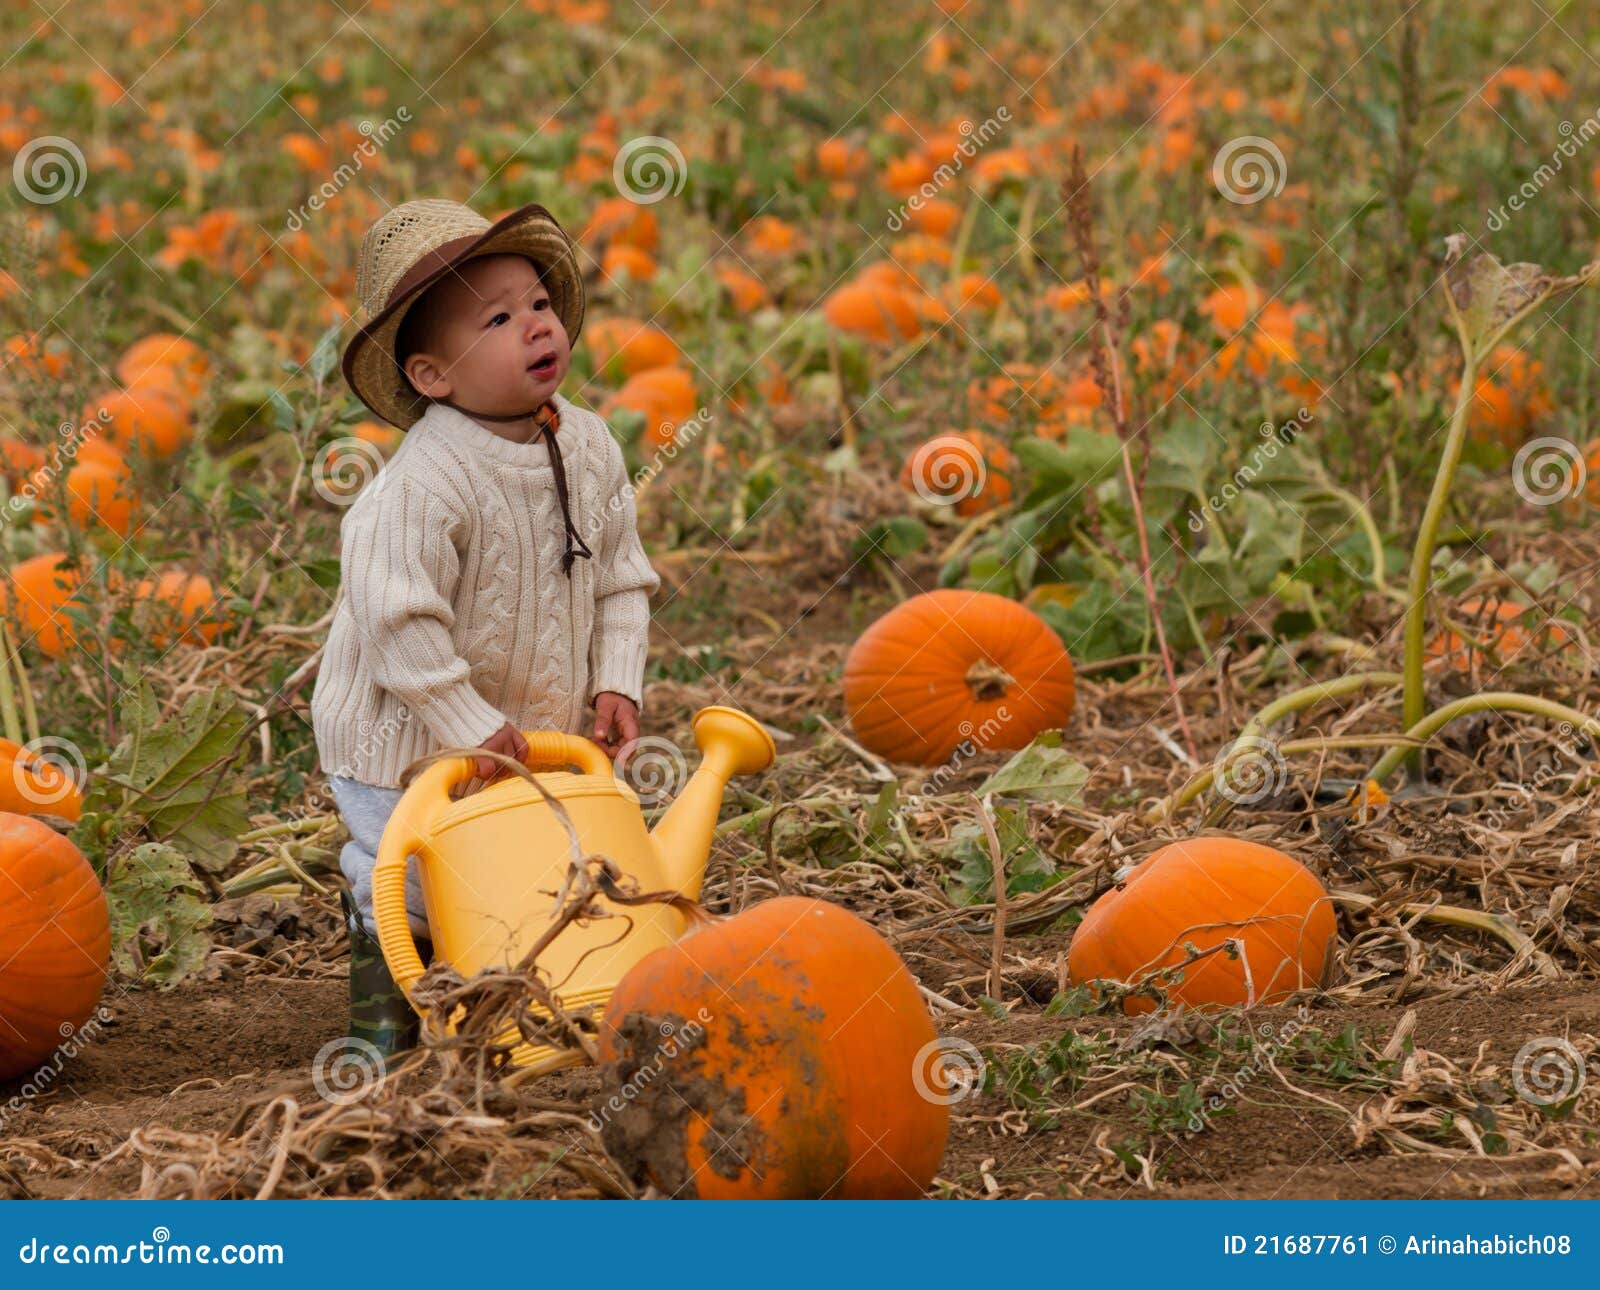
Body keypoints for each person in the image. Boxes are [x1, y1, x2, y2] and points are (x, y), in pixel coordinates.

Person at [310, 198, 660, 1063]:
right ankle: (386, 1000)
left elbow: (623, 573)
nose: (534, 325)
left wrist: (616, 679)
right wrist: (470, 730)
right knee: (416, 873)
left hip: (528, 725)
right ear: (432, 376)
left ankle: (512, 999)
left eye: (538, 304)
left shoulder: (589, 446)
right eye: (496, 319)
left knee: (530, 865)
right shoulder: (420, 489)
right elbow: (402, 630)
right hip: (405, 735)